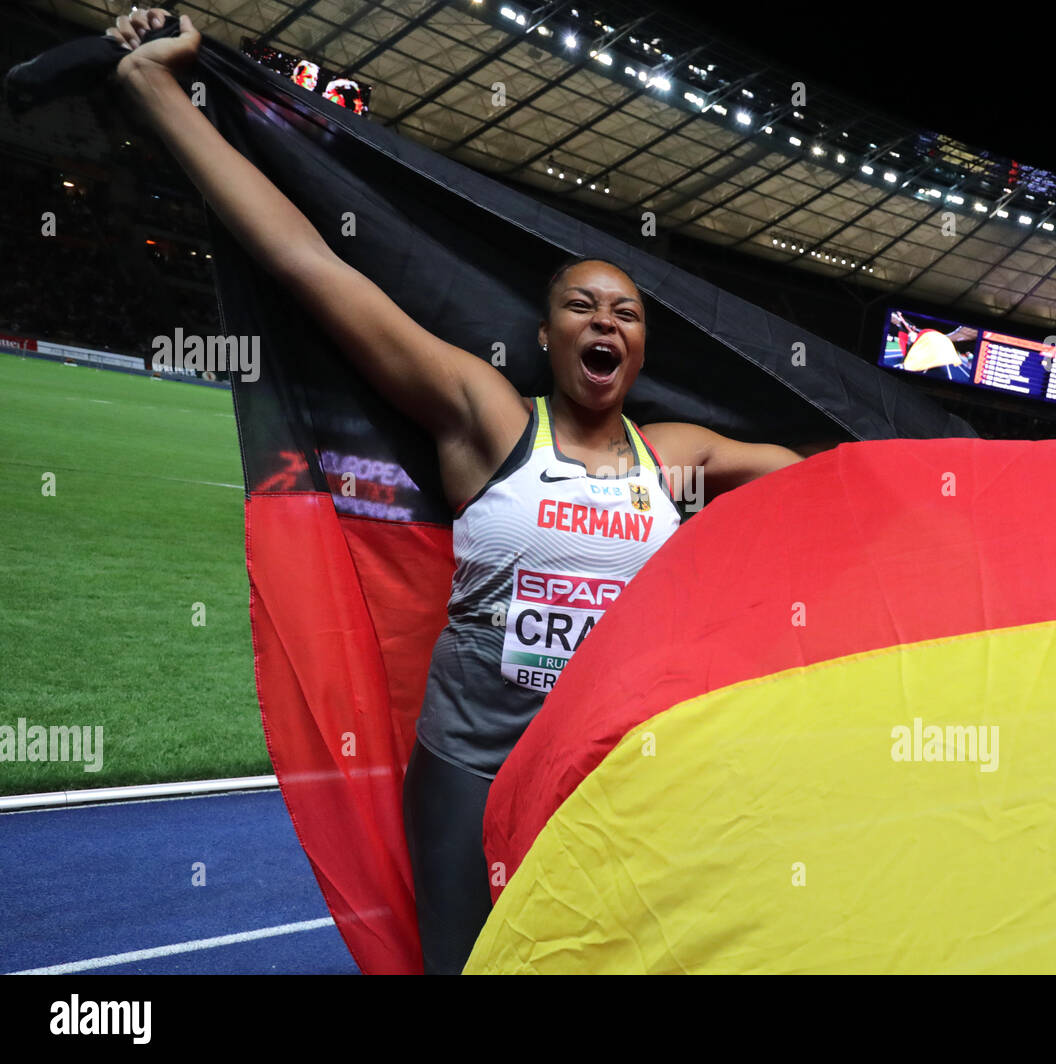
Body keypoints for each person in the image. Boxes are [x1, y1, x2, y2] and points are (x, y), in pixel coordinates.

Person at [106, 8, 806, 973]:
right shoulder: (490, 422)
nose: (604, 320)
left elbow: (828, 485)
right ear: (550, 336)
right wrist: (162, 92)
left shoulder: (674, 456)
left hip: (607, 770)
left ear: (641, 348)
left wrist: (957, 480)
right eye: (581, 305)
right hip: (470, 769)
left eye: (627, 313)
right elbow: (307, 264)